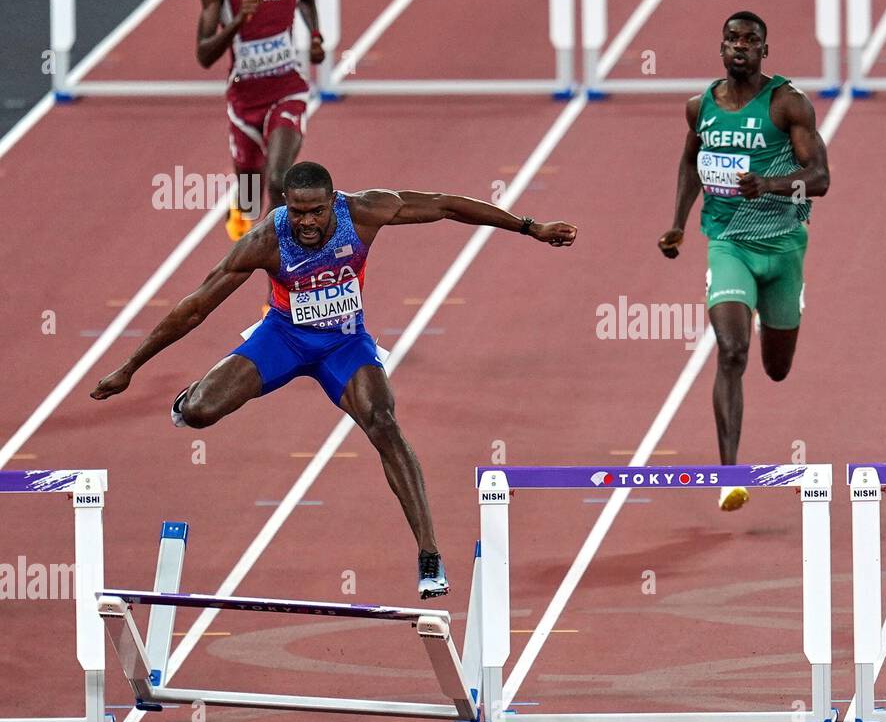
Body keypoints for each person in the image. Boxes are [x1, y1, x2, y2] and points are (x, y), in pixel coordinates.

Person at [91, 161, 578, 598]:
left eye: (316, 212)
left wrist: (529, 228)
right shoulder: (266, 240)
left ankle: (428, 554)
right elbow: (196, 306)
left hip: (345, 344)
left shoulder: (365, 212)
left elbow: (448, 206)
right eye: (297, 211)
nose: (306, 222)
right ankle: (192, 396)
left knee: (384, 424)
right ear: (285, 205)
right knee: (198, 413)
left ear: (333, 202)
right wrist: (132, 367)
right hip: (283, 338)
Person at [658, 11, 830, 512]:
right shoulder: (700, 108)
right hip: (727, 243)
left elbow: (820, 179)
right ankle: (729, 474)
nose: (740, 46)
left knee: (776, 368)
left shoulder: (787, 104)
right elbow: (691, 160)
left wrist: (770, 185)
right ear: (721, 47)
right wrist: (678, 223)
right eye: (732, 38)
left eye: (750, 40)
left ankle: (785, 303)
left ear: (764, 52)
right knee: (732, 351)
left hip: (783, 245)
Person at [198, 0, 325, 241]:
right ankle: (242, 211)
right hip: (244, 102)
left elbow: (308, 0)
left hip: (288, 90)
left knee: (277, 179)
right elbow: (204, 55)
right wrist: (239, 20)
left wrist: (315, 37)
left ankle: (279, 280)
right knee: (252, 198)